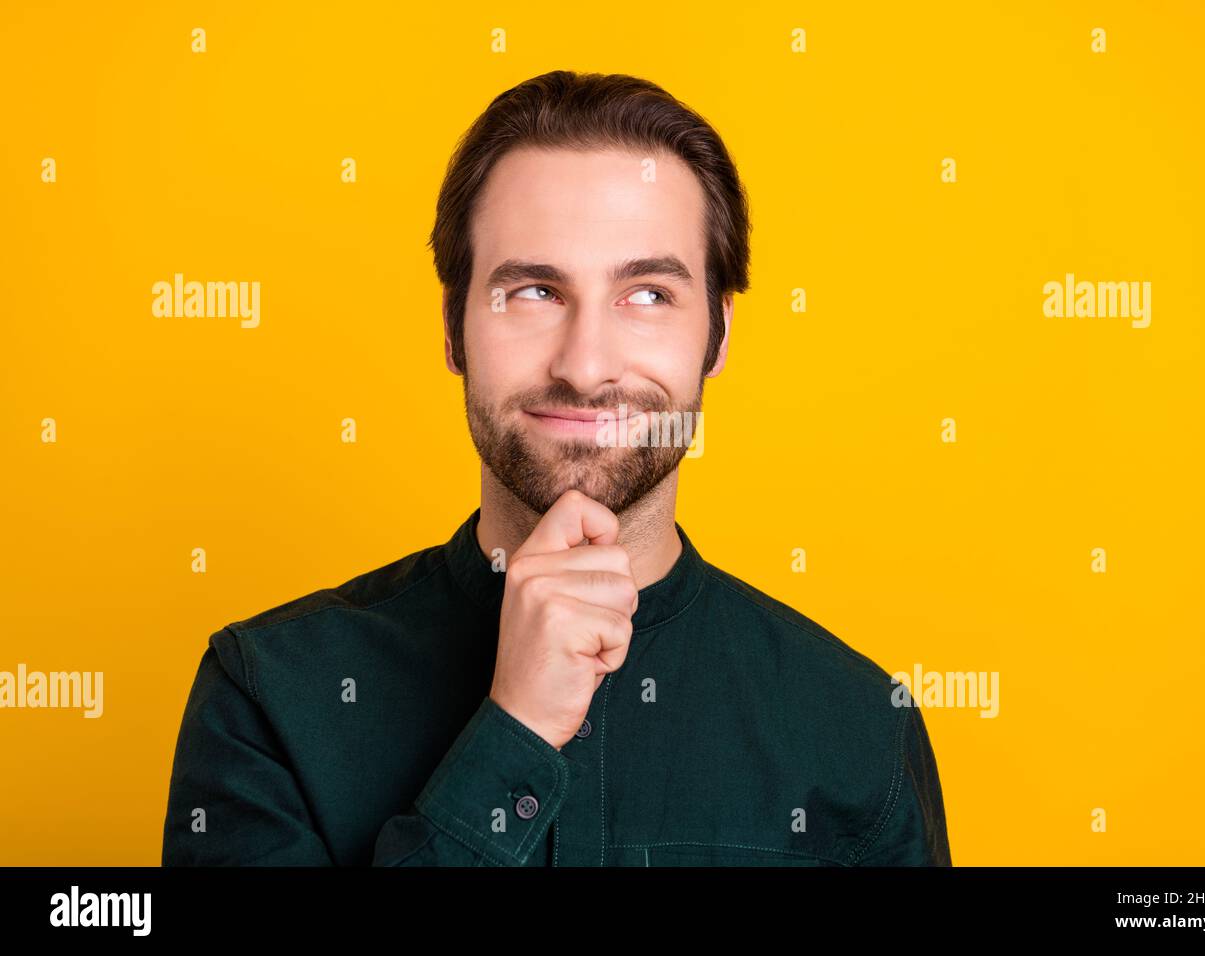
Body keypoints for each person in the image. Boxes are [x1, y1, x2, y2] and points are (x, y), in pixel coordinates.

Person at [161, 70, 951, 866]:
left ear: (716, 336)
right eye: (535, 290)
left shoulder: (857, 732)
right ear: (452, 327)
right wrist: (514, 734)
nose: (585, 365)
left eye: (646, 295)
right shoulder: (268, 700)